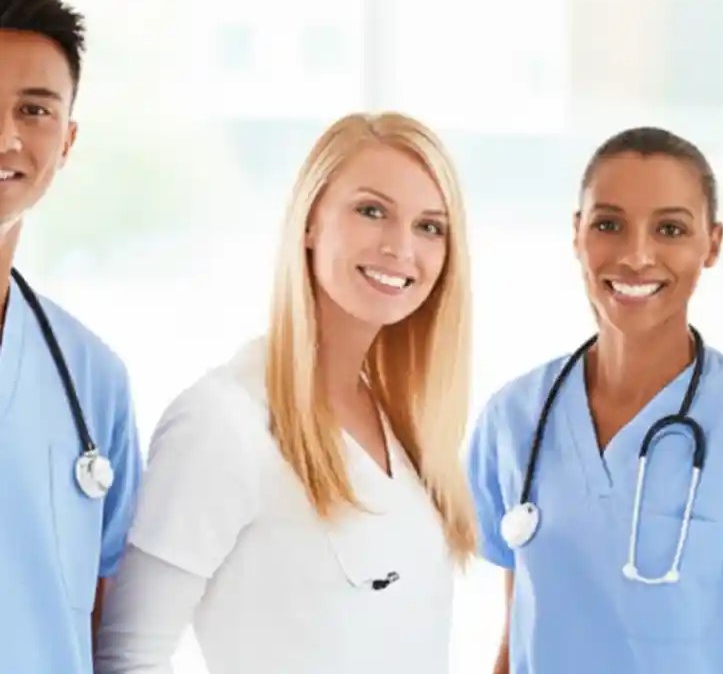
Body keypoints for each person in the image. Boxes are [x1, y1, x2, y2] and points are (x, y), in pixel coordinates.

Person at [94, 112, 476, 673]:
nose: (401, 247)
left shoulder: (404, 429)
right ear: (309, 223)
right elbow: (127, 657)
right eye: (372, 211)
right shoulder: (224, 421)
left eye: (429, 226)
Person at [466, 126, 723, 673]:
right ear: (577, 234)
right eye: (608, 225)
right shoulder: (515, 418)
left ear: (712, 243)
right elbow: (520, 635)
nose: (636, 254)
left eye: (670, 229)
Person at [0, 0, 142, 674]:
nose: (5, 136)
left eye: (34, 110)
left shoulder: (92, 381)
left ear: (67, 140)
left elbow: (104, 621)